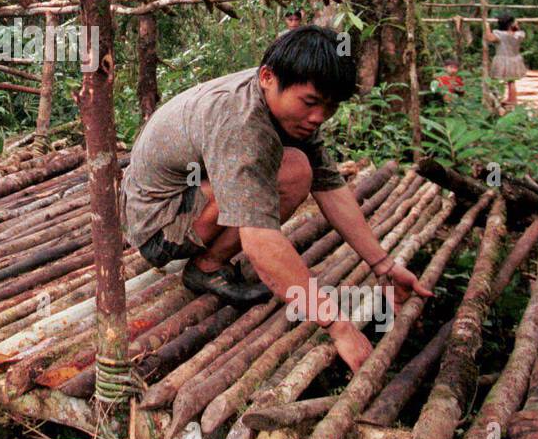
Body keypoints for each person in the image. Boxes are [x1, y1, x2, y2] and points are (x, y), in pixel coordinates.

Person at [118, 26, 430, 372]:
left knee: (299, 167)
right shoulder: (239, 120)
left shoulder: (286, 106)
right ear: (267, 77)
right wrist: (338, 327)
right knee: (291, 169)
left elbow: (330, 187)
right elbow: (259, 242)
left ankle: (208, 263)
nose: (318, 117)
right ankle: (207, 267)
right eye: (310, 103)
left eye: (329, 107)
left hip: (190, 199)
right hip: (159, 227)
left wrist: (383, 266)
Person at [485, 14, 527, 109]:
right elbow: (516, 32)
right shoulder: (519, 34)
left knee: (505, 80)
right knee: (511, 81)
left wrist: (487, 26)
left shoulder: (501, 35)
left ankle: (511, 100)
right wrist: (516, 27)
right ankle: (511, 99)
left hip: (504, 59)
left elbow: (489, 37)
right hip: (514, 59)